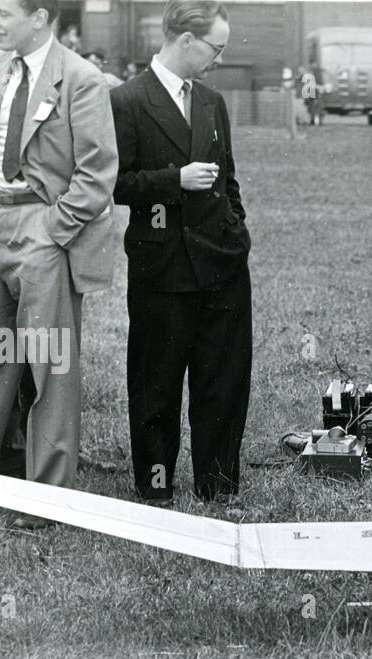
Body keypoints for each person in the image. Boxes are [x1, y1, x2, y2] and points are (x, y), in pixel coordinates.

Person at [0, 0, 117, 527]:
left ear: (39, 17)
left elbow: (98, 172)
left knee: (49, 363)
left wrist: (53, 230)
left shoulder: (81, 79)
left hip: (43, 234)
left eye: (3, 11)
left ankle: (48, 497)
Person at [111, 0, 252, 504]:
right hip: (162, 268)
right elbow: (116, 183)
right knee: (157, 385)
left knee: (223, 381)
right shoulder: (126, 101)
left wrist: (237, 232)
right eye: (216, 47)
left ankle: (219, 487)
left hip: (222, 265)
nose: (219, 57)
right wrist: (176, 181)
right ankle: (156, 489)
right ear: (186, 41)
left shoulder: (212, 101)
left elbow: (229, 178)